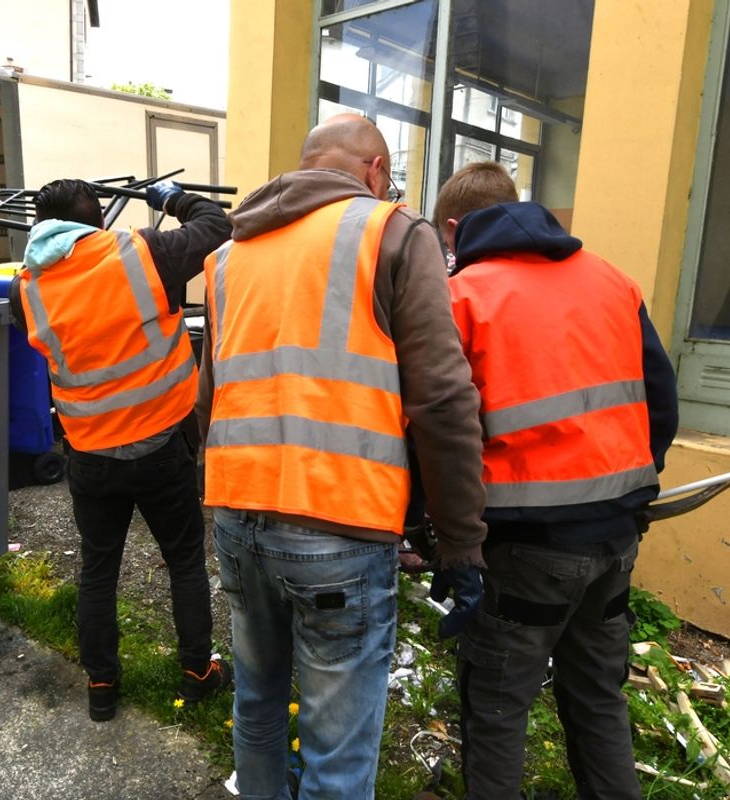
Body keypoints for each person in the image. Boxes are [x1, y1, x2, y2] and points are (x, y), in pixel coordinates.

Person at [197, 114, 489, 799]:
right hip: (337, 528)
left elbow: (210, 402)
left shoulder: (228, 258)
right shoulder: (390, 230)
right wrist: (461, 542)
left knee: (259, 707)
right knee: (337, 751)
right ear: (376, 170)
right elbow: (444, 401)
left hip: (238, 518)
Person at [434, 161, 679, 800]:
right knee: (599, 698)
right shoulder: (614, 282)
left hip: (523, 550)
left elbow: (439, 427)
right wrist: (625, 488)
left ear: (455, 230)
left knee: (497, 709)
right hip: (615, 539)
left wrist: (432, 527)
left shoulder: (464, 297)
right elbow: (662, 402)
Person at [8, 177, 233, 722]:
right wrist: (167, 197)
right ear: (97, 220)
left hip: (90, 455)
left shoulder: (25, 288)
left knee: (99, 568)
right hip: (161, 444)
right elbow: (218, 226)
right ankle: (198, 672)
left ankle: (102, 685)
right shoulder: (141, 251)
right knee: (183, 561)